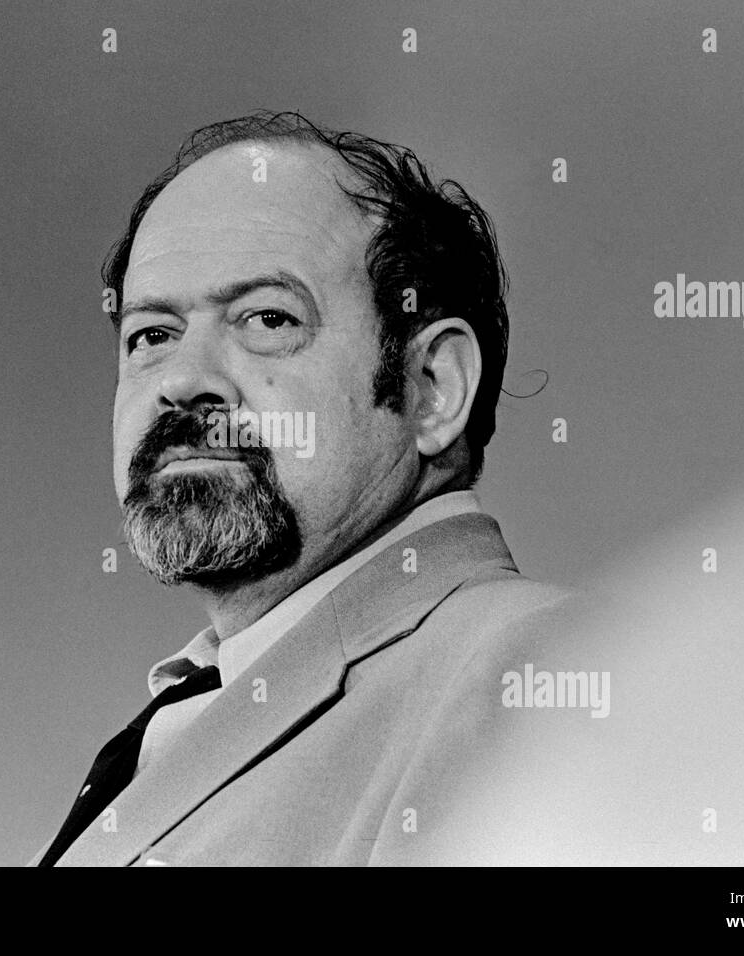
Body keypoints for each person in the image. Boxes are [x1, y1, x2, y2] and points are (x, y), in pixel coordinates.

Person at [31, 110, 578, 866]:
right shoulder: (194, 704)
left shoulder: (546, 678)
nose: (183, 382)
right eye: (151, 335)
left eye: (266, 318)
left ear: (431, 388)